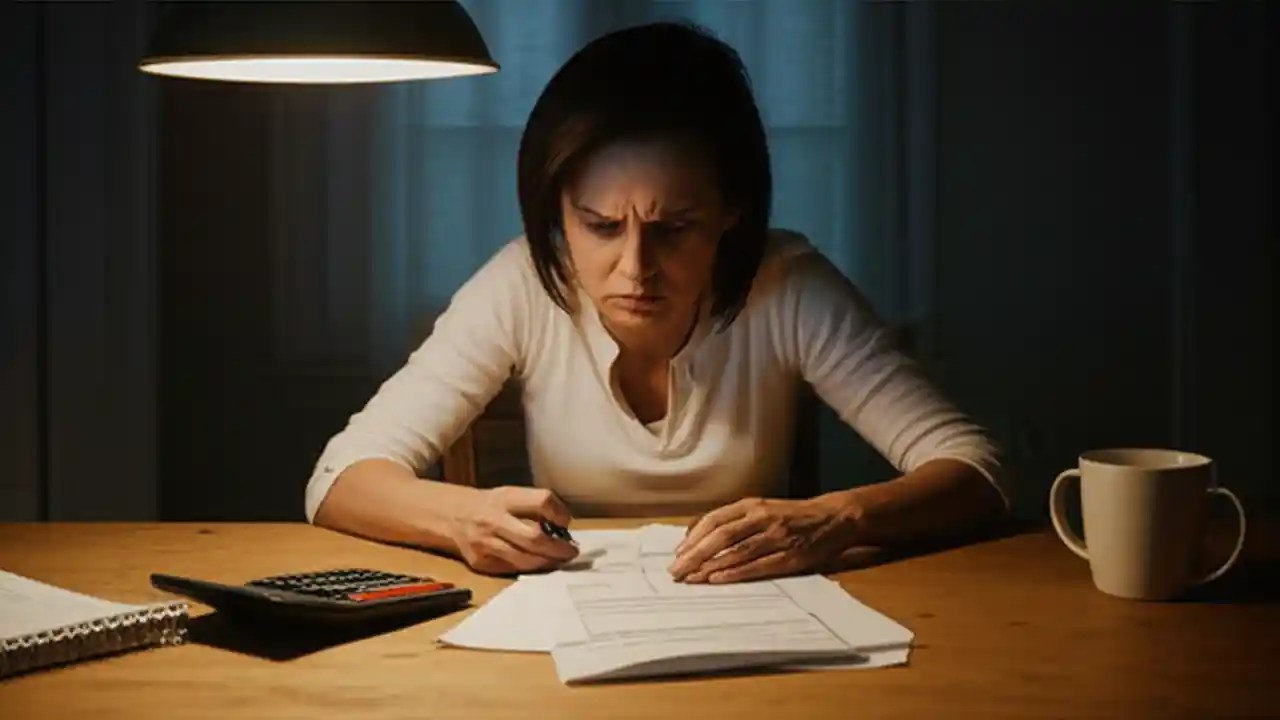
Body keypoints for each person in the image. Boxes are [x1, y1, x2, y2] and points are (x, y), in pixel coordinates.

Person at [306, 22, 1009, 583]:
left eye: (674, 228)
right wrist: (462, 518)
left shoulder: (786, 283)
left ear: (733, 210)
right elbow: (339, 480)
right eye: (601, 225)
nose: (634, 268)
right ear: (557, 211)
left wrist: (835, 517)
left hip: (752, 621)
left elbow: (974, 470)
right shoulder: (524, 281)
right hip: (566, 624)